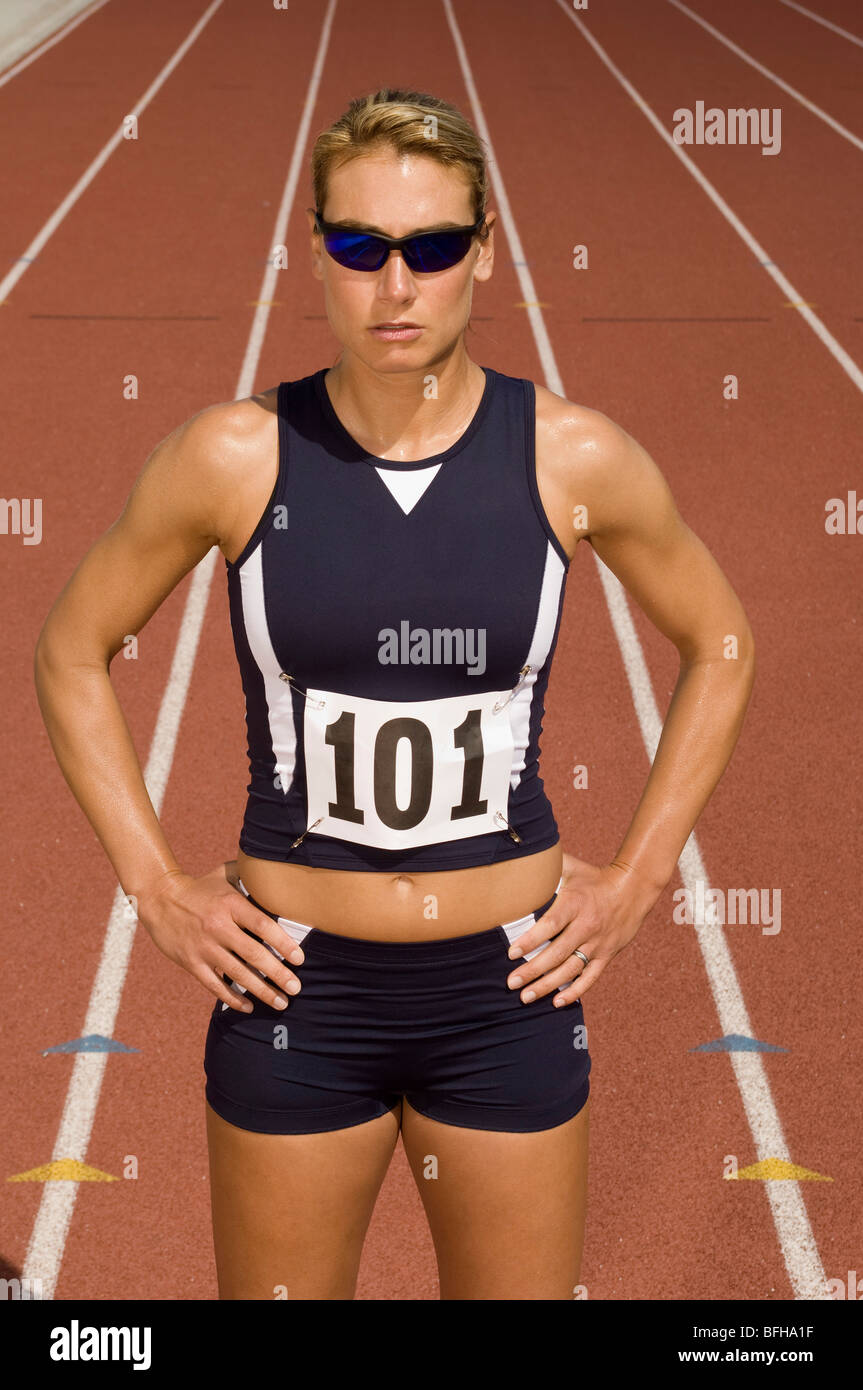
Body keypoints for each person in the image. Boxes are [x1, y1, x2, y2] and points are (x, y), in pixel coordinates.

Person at [34, 87, 755, 1301]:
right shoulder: (235, 456)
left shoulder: (567, 455)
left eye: (429, 248)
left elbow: (720, 642)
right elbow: (70, 649)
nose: (396, 286)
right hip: (297, 998)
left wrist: (638, 879)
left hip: (504, 995)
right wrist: (155, 888)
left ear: (483, 250)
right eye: (361, 246)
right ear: (314, 249)